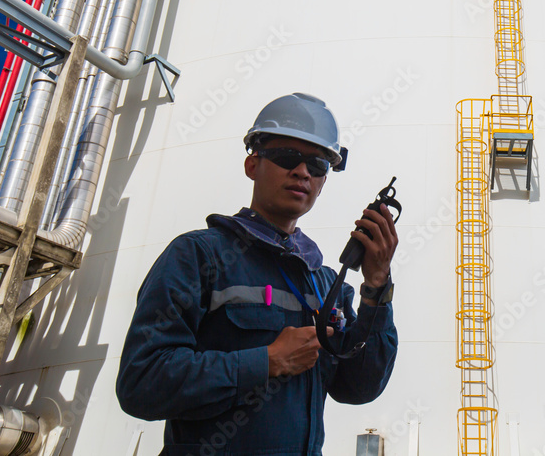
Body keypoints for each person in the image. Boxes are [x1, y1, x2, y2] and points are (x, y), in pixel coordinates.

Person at [116, 93, 398, 456]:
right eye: (286, 158)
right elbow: (141, 382)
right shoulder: (199, 257)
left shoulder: (326, 283)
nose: (302, 173)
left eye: (316, 165)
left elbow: (359, 386)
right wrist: (266, 361)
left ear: (324, 180)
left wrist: (376, 287)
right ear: (253, 165)